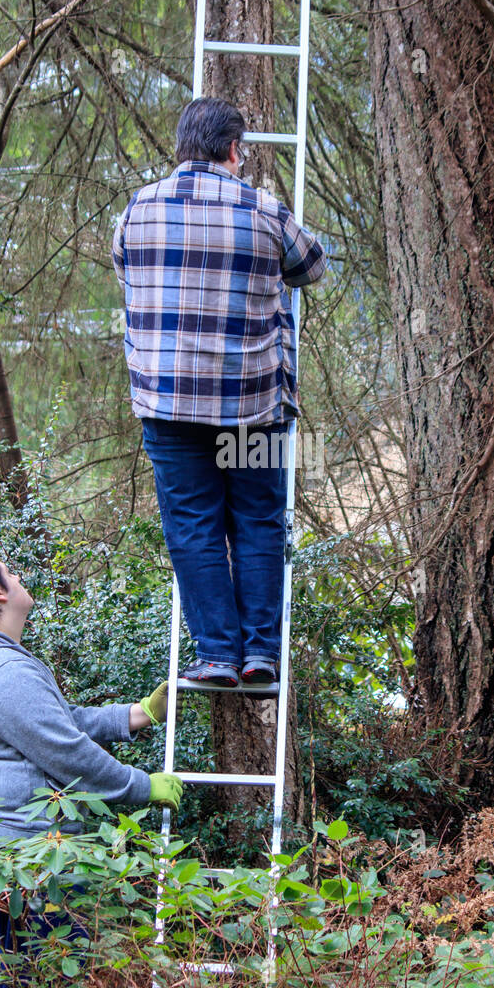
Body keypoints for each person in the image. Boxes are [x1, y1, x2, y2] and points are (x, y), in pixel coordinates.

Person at [112, 96, 326, 688]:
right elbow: (311, 267)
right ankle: (261, 657)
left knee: (192, 527)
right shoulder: (263, 209)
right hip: (253, 409)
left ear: (182, 148)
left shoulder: (137, 208)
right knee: (258, 520)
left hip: (171, 406)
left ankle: (216, 659)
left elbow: (125, 266)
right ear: (234, 151)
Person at [0, 542, 182, 988]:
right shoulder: (2, 673)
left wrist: (137, 714)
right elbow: (66, 752)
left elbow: (58, 723)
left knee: (16, 982)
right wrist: (141, 786)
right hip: (29, 861)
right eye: (13, 573)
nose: (22, 580)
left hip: (1, 853)